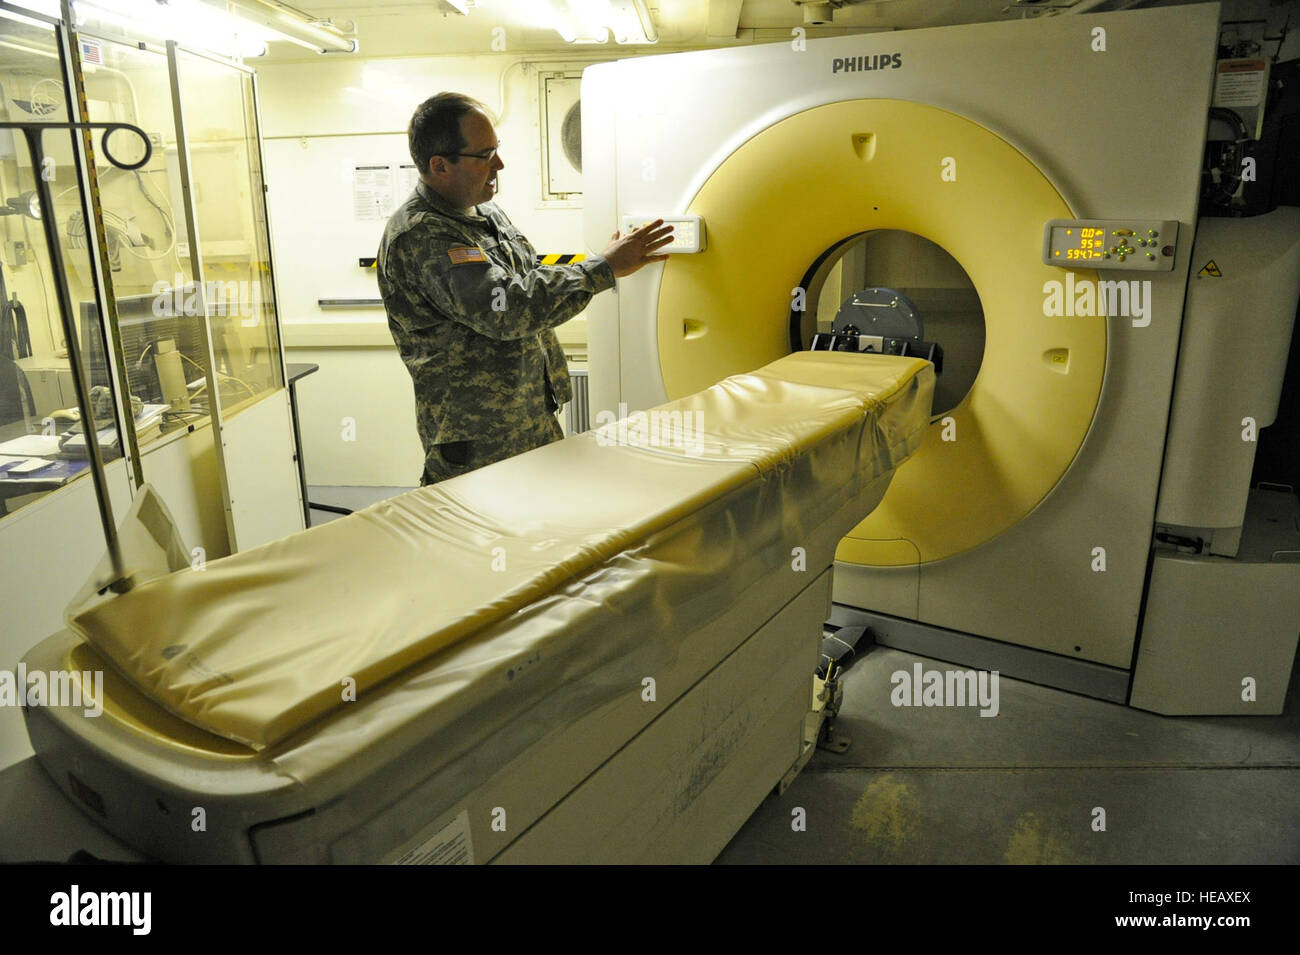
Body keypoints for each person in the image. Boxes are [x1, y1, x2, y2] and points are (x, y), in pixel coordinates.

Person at [378, 92, 673, 486]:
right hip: (478, 441)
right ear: (439, 165)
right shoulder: (423, 234)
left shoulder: (485, 212)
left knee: (544, 531)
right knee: (486, 541)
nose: (499, 164)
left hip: (530, 417)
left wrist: (604, 261)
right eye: (485, 155)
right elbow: (507, 308)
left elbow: (529, 273)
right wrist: (603, 269)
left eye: (497, 150)